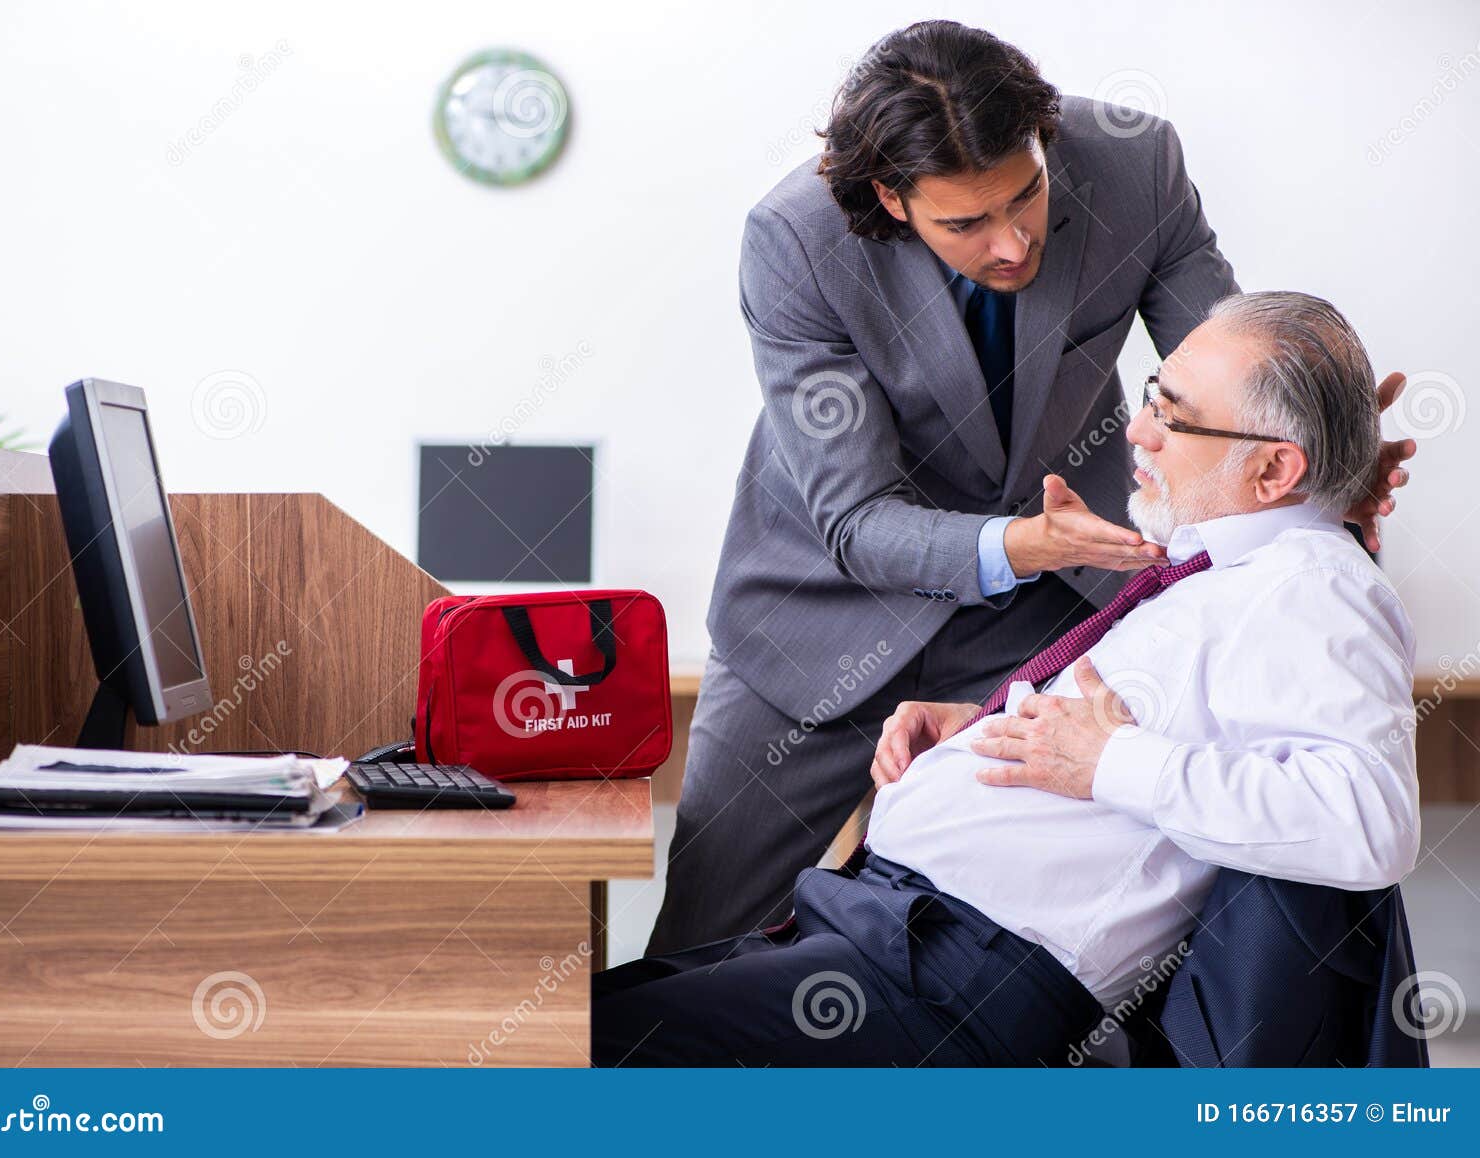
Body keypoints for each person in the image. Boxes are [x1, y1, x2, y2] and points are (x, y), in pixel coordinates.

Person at [648, 18, 1415, 955]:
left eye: (1026, 199)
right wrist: (1019, 544)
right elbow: (853, 520)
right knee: (698, 947)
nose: (1013, 245)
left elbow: (1231, 388)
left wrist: (1327, 462)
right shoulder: (795, 241)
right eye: (966, 224)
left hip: (1044, 622)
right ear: (891, 199)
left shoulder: (1138, 169)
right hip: (823, 619)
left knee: (1034, 964)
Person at [596, 291, 1418, 1066]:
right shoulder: (1215, 566)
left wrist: (1108, 764)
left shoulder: (1315, 585)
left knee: (564, 1047)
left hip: (948, 982)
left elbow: (1370, 822)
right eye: (1150, 395)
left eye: (1174, 417)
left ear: (1274, 473)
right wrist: (983, 727)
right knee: (569, 1018)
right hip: (884, 931)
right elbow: (1141, 725)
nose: (1137, 432)